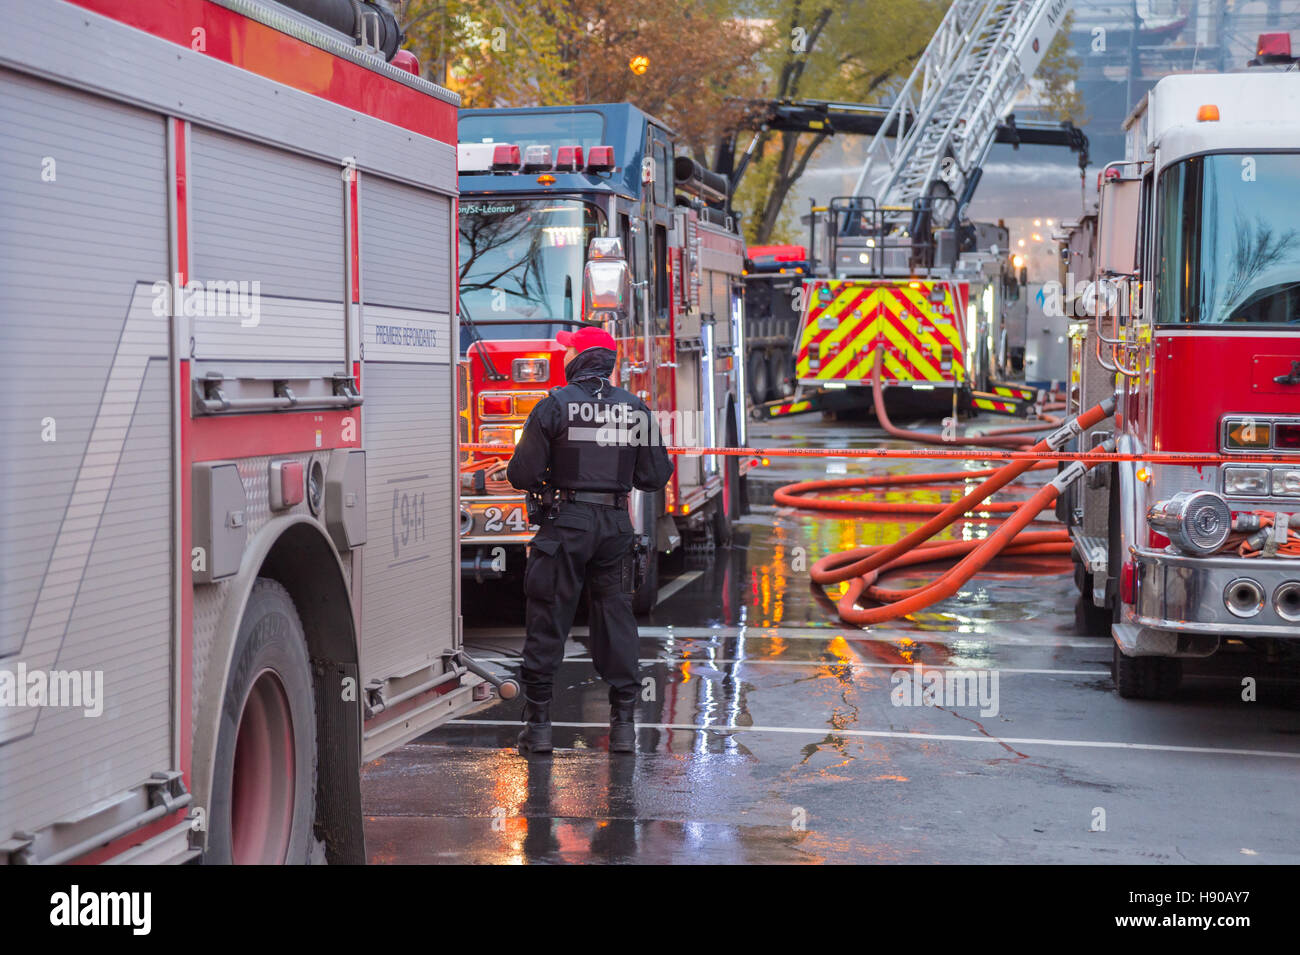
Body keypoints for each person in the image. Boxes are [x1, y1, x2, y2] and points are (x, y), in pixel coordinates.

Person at [506, 325, 673, 756]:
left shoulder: (553, 406)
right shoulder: (635, 409)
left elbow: (520, 475)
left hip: (565, 525)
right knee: (616, 619)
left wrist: (553, 480)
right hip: (616, 527)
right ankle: (623, 729)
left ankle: (539, 728)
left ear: (578, 360)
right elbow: (655, 476)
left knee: (548, 617)